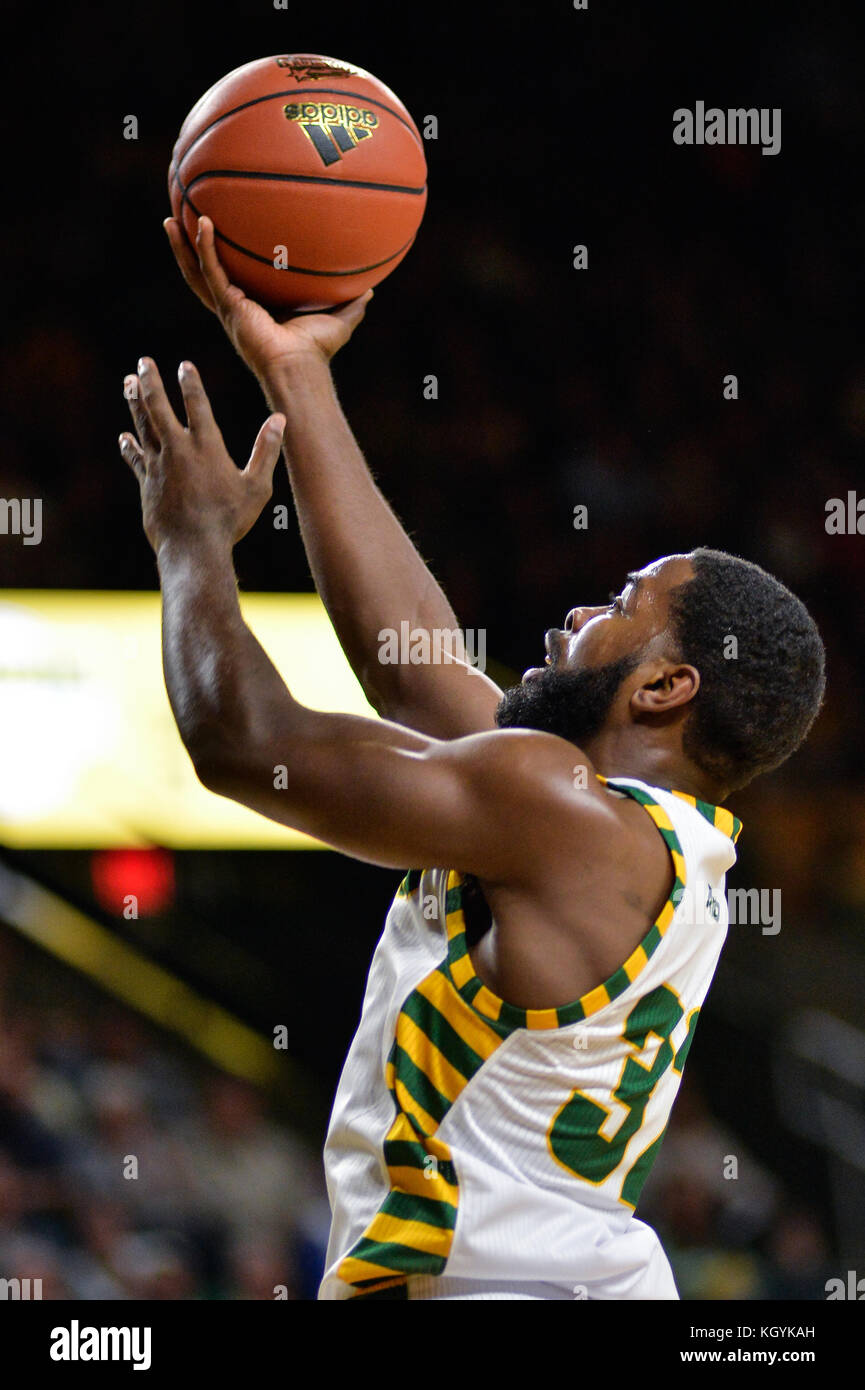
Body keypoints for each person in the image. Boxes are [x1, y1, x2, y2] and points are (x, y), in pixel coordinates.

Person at [117, 215, 825, 1300]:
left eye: (618, 606)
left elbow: (242, 744)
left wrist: (191, 543)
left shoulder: (560, 810)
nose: (574, 617)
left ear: (665, 685)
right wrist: (295, 371)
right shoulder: (614, 829)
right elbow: (410, 663)